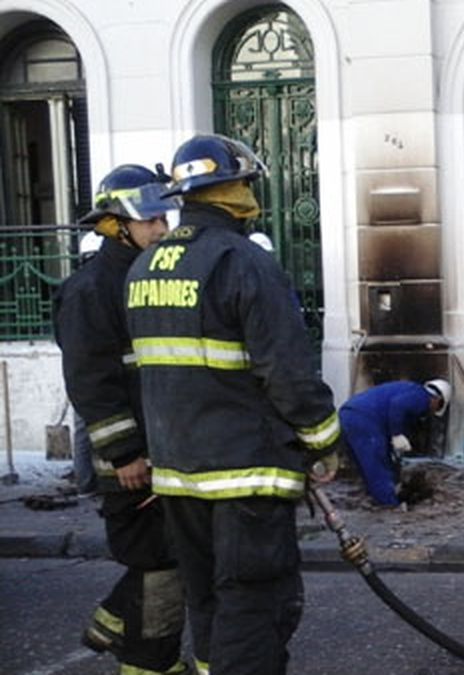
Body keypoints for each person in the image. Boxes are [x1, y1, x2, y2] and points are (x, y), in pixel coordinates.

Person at [126, 134, 343, 675]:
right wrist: (324, 442)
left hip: (179, 477)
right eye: (247, 184)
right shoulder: (243, 262)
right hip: (247, 475)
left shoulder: (145, 268)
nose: (251, 194)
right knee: (255, 608)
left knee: (209, 605)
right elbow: (288, 372)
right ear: (230, 188)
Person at [53, 164, 188, 674]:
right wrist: (125, 452)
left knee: (167, 554)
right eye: (150, 220)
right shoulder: (92, 290)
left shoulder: (149, 275)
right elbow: (91, 381)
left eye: (164, 217)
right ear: (115, 224)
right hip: (130, 460)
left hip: (165, 447)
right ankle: (148, 664)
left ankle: (112, 624)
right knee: (158, 563)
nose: (162, 229)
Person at [339, 379, 450, 505]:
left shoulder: (409, 389)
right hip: (364, 420)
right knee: (378, 468)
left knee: (368, 468)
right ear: (437, 399)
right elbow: (397, 406)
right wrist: (397, 434)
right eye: (438, 407)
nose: (432, 411)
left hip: (348, 415)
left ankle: (375, 499)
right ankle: (390, 506)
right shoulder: (422, 397)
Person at [70, 231, 106, 497]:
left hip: (78, 368)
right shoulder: (99, 286)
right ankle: (91, 481)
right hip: (97, 368)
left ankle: (86, 482)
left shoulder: (73, 286)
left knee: (84, 428)